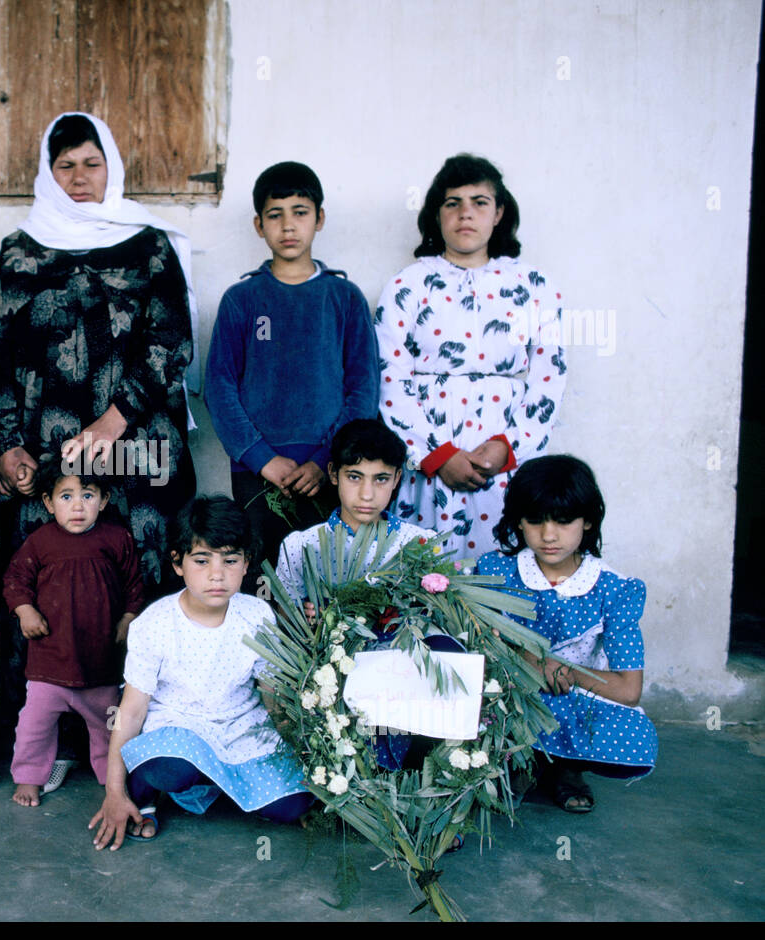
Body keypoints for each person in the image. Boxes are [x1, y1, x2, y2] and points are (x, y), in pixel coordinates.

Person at [0, 111, 198, 790]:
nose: (79, 178)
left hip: (137, 455)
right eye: (65, 167)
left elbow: (172, 343)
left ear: (112, 167)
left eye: (91, 164)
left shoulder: (149, 245)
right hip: (49, 463)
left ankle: (143, 743)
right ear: (48, 174)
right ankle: (50, 742)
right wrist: (8, 447)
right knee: (51, 590)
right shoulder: (20, 250)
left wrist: (112, 422)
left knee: (136, 587)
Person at [89, 497, 315, 848]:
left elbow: (272, 697)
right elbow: (130, 712)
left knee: (294, 805)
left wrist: (306, 759)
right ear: (177, 563)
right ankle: (144, 790)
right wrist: (114, 792)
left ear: (246, 563)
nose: (216, 574)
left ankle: (214, 784)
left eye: (230, 560)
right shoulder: (155, 623)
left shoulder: (257, 615)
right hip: (180, 730)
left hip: (240, 728)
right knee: (167, 767)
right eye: (201, 560)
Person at [375, 153, 566, 560]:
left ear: (499, 213)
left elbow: (550, 376)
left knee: (501, 567)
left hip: (504, 457)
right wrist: (437, 455)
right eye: (453, 203)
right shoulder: (408, 285)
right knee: (426, 571)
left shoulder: (532, 285)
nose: (466, 214)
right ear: (436, 214)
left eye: (480, 202)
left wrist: (507, 447)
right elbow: (390, 376)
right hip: (428, 458)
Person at [205, 161, 379, 592]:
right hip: (257, 471)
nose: (288, 225)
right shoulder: (242, 299)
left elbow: (363, 389)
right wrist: (262, 458)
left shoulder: (344, 297)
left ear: (319, 219)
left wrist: (327, 461)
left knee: (333, 585)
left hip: (332, 469)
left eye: (300, 212)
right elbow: (219, 387)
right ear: (258, 225)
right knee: (264, 583)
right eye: (275, 214)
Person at [477, 455, 656, 813]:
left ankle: (565, 768)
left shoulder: (614, 589)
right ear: (518, 521)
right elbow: (475, 641)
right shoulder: (496, 570)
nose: (548, 535)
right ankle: (518, 761)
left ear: (587, 520)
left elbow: (628, 689)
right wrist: (525, 659)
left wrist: (562, 670)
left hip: (573, 697)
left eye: (563, 520)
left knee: (634, 732)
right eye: (534, 520)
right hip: (511, 695)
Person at [3, 459, 145, 807]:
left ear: (104, 500)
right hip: (49, 664)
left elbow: (134, 585)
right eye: (66, 497)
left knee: (109, 728)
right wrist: (25, 610)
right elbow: (15, 580)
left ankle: (112, 778)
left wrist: (128, 619)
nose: (78, 506)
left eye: (88, 495)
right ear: (49, 503)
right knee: (33, 726)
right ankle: (29, 776)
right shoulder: (40, 542)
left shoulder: (117, 539)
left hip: (101, 665)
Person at [273, 418, 433, 619]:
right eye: (354, 477)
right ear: (333, 474)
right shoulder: (301, 547)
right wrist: (308, 620)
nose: (366, 495)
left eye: (381, 479)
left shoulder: (419, 543)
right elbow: (287, 622)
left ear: (396, 479)